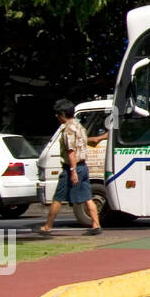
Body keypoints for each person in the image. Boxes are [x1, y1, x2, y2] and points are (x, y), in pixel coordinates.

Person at [36, 99, 101, 236]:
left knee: (58, 198)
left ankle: (48, 226)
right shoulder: (80, 127)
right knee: (87, 197)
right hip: (83, 167)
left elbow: (71, 151)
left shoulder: (68, 130)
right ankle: (96, 224)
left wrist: (72, 171)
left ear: (63, 114)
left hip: (72, 167)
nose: (57, 117)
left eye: (58, 115)